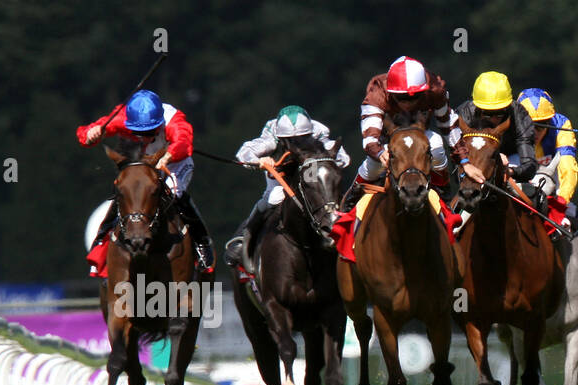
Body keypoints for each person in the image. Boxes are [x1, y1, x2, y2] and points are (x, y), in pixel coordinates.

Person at [77, 89, 214, 272]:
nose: (146, 136)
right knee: (126, 193)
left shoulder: (173, 119)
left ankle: (201, 242)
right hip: (144, 163)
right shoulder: (121, 116)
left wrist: (169, 155)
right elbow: (89, 134)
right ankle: (102, 240)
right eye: (139, 132)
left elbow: (184, 141)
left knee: (173, 193)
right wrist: (91, 134)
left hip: (174, 162)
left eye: (151, 131)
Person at [224, 106, 349, 269]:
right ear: (281, 138)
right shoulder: (271, 138)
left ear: (309, 134)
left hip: (309, 171)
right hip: (282, 174)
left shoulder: (319, 133)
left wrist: (329, 158)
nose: (297, 145)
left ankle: (342, 232)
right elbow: (244, 152)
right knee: (274, 197)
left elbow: (342, 158)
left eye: (303, 138)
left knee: (321, 194)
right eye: (290, 140)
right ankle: (244, 235)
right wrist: (259, 161)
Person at [340, 56, 453, 211]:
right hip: (387, 140)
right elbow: (369, 140)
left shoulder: (435, 89)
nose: (407, 104)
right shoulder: (377, 94)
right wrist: (380, 153)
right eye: (401, 98)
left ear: (424, 90)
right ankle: (351, 202)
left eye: (414, 97)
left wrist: (464, 161)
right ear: (390, 92)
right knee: (373, 165)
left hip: (419, 135)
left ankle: (444, 194)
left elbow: (448, 125)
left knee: (437, 143)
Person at [454, 71, 541, 203]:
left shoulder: (519, 114)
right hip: (476, 161)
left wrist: (509, 171)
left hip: (512, 161)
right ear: (477, 107)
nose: (494, 119)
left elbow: (529, 166)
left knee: (535, 197)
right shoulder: (464, 114)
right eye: (488, 113)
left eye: (500, 112)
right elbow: (456, 164)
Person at [517, 88, 578, 220]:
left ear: (550, 121)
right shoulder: (509, 125)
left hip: (553, 189)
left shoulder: (561, 124)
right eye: (529, 126)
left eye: (541, 126)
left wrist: (562, 201)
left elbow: (568, 167)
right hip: (517, 188)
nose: (535, 132)